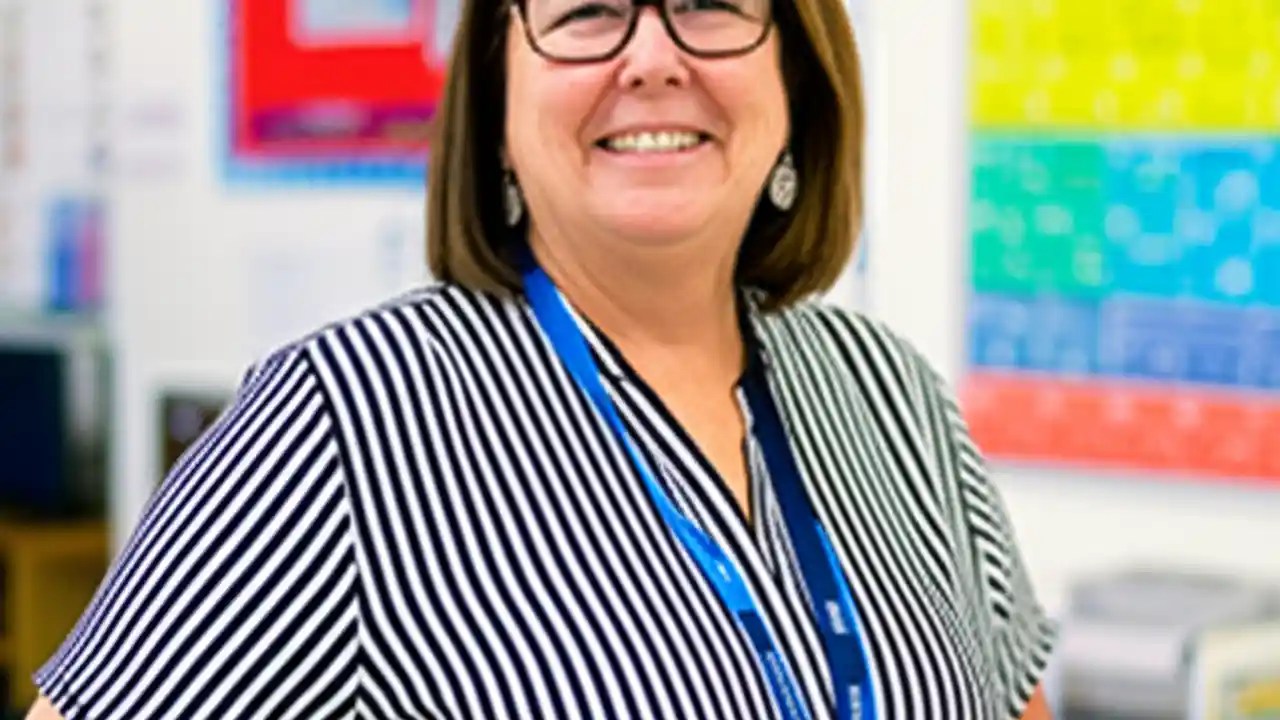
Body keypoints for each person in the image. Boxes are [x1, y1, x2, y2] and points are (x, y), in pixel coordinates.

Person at [27, 0, 1056, 715]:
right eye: (585, 13)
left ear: (797, 76)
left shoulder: (890, 394)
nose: (651, 59)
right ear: (497, 107)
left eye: (708, 5)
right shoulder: (339, 423)